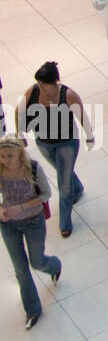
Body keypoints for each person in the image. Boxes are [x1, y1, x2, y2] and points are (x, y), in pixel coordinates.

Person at [18, 62, 91, 239]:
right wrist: (20, 133)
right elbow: (19, 110)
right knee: (62, 171)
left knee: (63, 182)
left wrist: (89, 135)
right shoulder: (33, 92)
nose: (40, 87)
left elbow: (82, 115)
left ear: (54, 82)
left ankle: (65, 222)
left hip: (67, 142)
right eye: (39, 83)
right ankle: (78, 188)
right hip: (44, 142)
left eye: (44, 84)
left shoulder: (68, 95)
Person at [0, 134, 59, 329]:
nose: (5, 160)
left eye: (9, 155)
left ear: (19, 153)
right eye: (2, 156)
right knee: (20, 269)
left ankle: (54, 265)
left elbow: (46, 194)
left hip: (33, 221)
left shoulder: (32, 168)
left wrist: (22, 208)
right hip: (9, 225)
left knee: (37, 262)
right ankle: (33, 310)